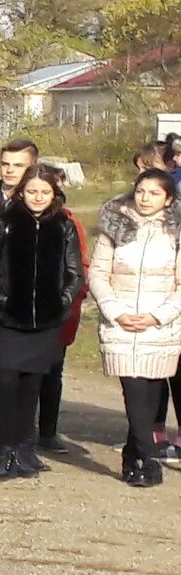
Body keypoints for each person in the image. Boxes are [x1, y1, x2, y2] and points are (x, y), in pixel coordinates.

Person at [0, 164, 83, 482]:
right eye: (32, 191)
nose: (38, 197)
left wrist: (61, 303)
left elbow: (75, 272)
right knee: (6, 381)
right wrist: (2, 299)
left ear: (55, 194)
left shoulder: (63, 225)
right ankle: (4, 449)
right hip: (7, 318)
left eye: (45, 192)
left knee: (31, 386)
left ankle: (24, 448)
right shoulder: (5, 222)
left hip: (46, 321)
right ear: (22, 192)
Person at [90, 168, 181, 486]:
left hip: (160, 328)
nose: (145, 198)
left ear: (168, 199)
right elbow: (98, 274)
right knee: (133, 390)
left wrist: (159, 316)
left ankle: (134, 455)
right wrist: (115, 311)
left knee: (148, 396)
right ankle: (151, 459)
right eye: (141, 191)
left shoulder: (176, 232)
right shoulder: (115, 226)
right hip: (122, 323)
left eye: (154, 193)